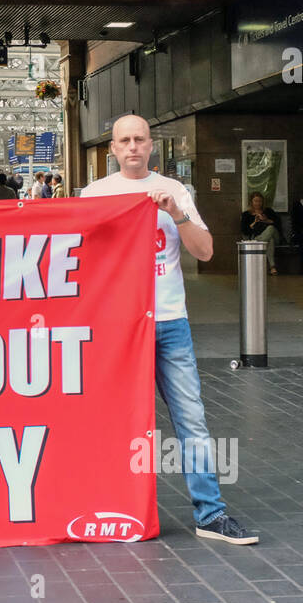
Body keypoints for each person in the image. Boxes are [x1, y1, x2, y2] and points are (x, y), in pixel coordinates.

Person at [81, 114, 258, 545]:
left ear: (152, 146)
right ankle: (108, 508)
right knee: (111, 421)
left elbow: (206, 250)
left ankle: (211, 514)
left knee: (191, 419)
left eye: (140, 139)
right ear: (113, 150)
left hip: (168, 322)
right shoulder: (94, 195)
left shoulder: (175, 191)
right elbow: (75, 257)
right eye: (125, 140)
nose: (134, 147)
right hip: (117, 328)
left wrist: (176, 214)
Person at [239, 191, 282, 275]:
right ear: (251, 202)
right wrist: (255, 222)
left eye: (259, 201)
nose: (258, 203)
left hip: (272, 235)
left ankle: (257, 242)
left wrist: (266, 220)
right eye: (255, 201)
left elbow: (278, 225)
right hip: (257, 236)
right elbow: (244, 231)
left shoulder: (269, 211)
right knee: (270, 241)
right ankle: (272, 267)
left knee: (271, 228)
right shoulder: (246, 214)